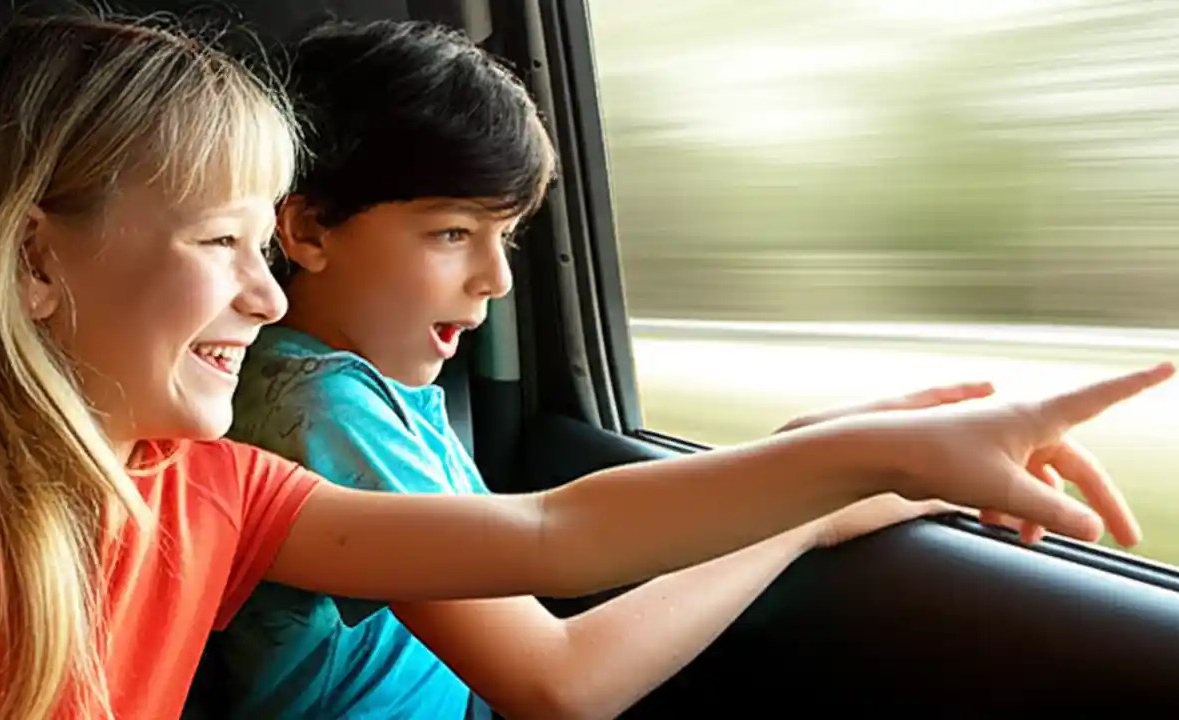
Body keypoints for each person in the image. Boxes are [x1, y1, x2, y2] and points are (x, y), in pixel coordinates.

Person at [0, 11, 1170, 720]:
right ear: (35, 258)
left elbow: (552, 533)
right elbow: (557, 672)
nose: (264, 295)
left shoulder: (220, 490)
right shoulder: (289, 415)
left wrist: (852, 454)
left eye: (261, 250)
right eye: (221, 244)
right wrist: (826, 490)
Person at [194, 20, 1012, 720]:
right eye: (452, 234)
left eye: (507, 236)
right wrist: (808, 513)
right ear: (309, 231)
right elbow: (559, 683)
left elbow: (559, 540)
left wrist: (795, 459)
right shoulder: (322, 409)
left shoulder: (362, 393)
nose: (497, 278)